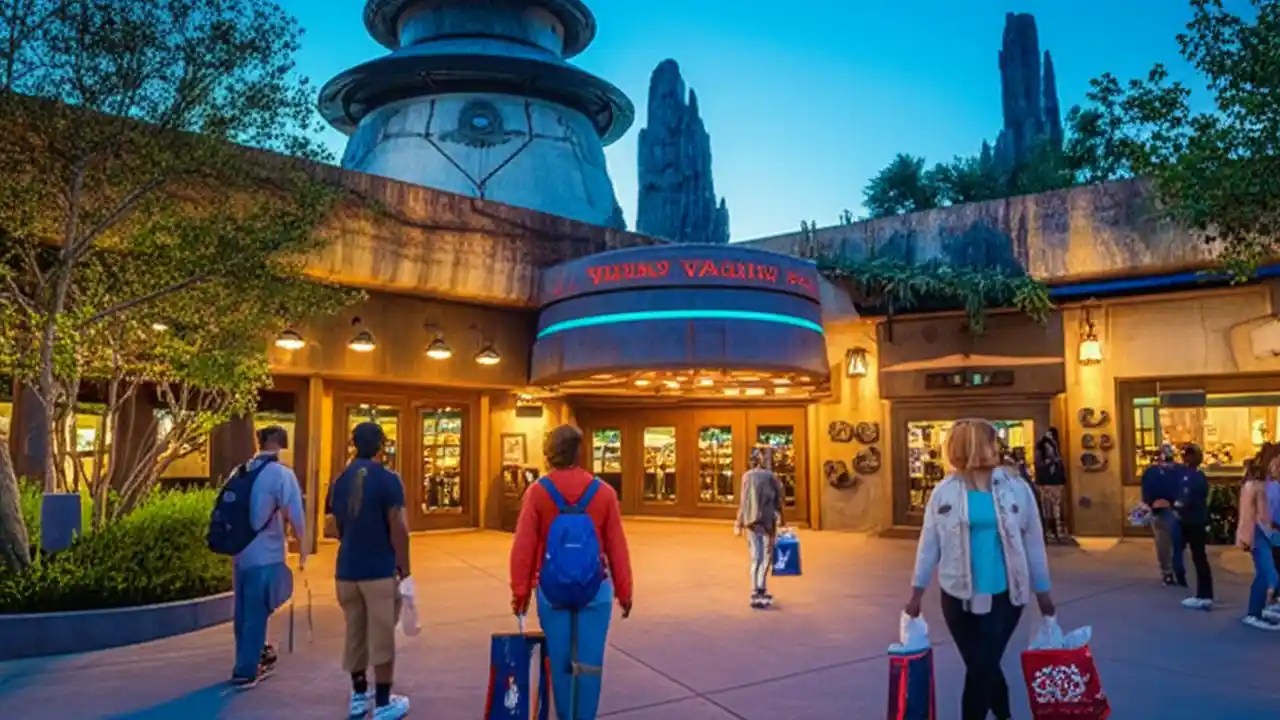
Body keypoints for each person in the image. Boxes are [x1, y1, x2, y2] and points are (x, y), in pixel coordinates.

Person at [906, 418, 1055, 720]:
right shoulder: (944, 492)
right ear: (976, 445)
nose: (997, 447)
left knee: (981, 667)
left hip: (1004, 594)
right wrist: (916, 592)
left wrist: (1043, 593)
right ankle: (1005, 716)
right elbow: (929, 544)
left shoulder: (1016, 489)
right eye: (992, 440)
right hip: (957, 596)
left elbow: (1034, 543)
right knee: (982, 665)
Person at [510, 425, 633, 720]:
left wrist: (520, 594)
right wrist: (625, 592)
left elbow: (523, 547)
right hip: (595, 588)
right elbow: (617, 547)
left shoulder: (538, 492)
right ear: (580, 451)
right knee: (590, 663)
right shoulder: (603, 493)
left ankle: (566, 715)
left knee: (561, 665)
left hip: (552, 590)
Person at [327, 422, 412, 718]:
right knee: (382, 636)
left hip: (347, 569)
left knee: (355, 633)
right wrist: (405, 569)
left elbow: (336, 525)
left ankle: (359, 694)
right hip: (378, 569)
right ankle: (385, 701)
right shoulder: (389, 480)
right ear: (381, 445)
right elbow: (398, 528)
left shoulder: (340, 480)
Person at [230, 425, 307, 689]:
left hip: (240, 553)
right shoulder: (281, 475)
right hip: (267, 553)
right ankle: (247, 670)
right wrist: (303, 550)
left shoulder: (241, 471)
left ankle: (248, 655)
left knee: (243, 611)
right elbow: (296, 514)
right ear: (281, 444)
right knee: (257, 610)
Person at [734, 448, 786, 608]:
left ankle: (754, 588)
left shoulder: (746, 476)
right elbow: (779, 498)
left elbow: (743, 501)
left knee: (755, 556)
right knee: (766, 555)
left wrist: (738, 522)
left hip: (751, 520)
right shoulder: (771, 477)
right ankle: (761, 587)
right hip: (766, 520)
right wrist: (782, 518)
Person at [1175, 444, 1214, 610]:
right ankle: (1203, 593)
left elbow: (1186, 497)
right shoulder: (1195, 475)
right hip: (1194, 520)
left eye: (1188, 455)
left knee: (1198, 557)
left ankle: (1204, 594)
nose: (1185, 457)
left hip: (1193, 521)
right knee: (1197, 557)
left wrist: (1176, 507)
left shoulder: (1193, 477)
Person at [1140, 445, 1185, 586]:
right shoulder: (1180, 471)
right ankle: (1177, 571)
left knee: (1163, 544)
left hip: (1161, 510)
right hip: (1175, 509)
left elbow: (1146, 491)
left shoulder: (1151, 472)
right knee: (1177, 543)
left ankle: (1168, 572)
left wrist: (1150, 503)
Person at [1034, 428, 1069, 543]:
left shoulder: (1058, 460)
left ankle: (1059, 533)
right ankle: (1049, 534)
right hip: (1046, 485)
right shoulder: (1043, 459)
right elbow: (1040, 469)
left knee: (1057, 511)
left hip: (1056, 485)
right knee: (1047, 511)